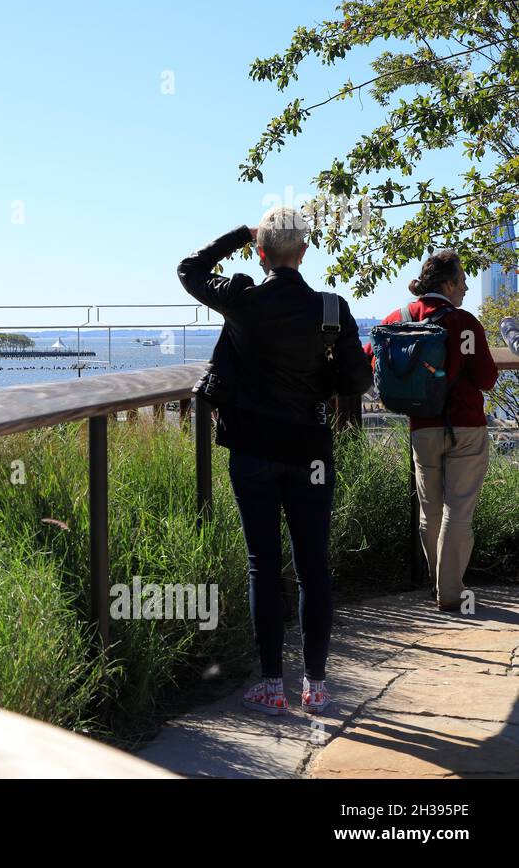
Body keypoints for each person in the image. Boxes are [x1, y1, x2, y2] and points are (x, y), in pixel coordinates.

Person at [178, 207, 372, 716]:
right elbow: (358, 383)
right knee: (314, 568)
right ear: (304, 253)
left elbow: (189, 270)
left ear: (260, 254)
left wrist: (240, 234)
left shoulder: (242, 301)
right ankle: (316, 686)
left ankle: (269, 684)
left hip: (253, 449)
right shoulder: (332, 310)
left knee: (263, 565)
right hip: (310, 453)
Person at [366, 250, 497, 613]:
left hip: (422, 428)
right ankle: (451, 592)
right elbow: (486, 378)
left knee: (430, 510)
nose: (467, 288)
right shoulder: (464, 323)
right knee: (459, 510)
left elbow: (369, 358)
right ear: (450, 284)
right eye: (463, 281)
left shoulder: (398, 319)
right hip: (466, 427)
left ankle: (437, 581)